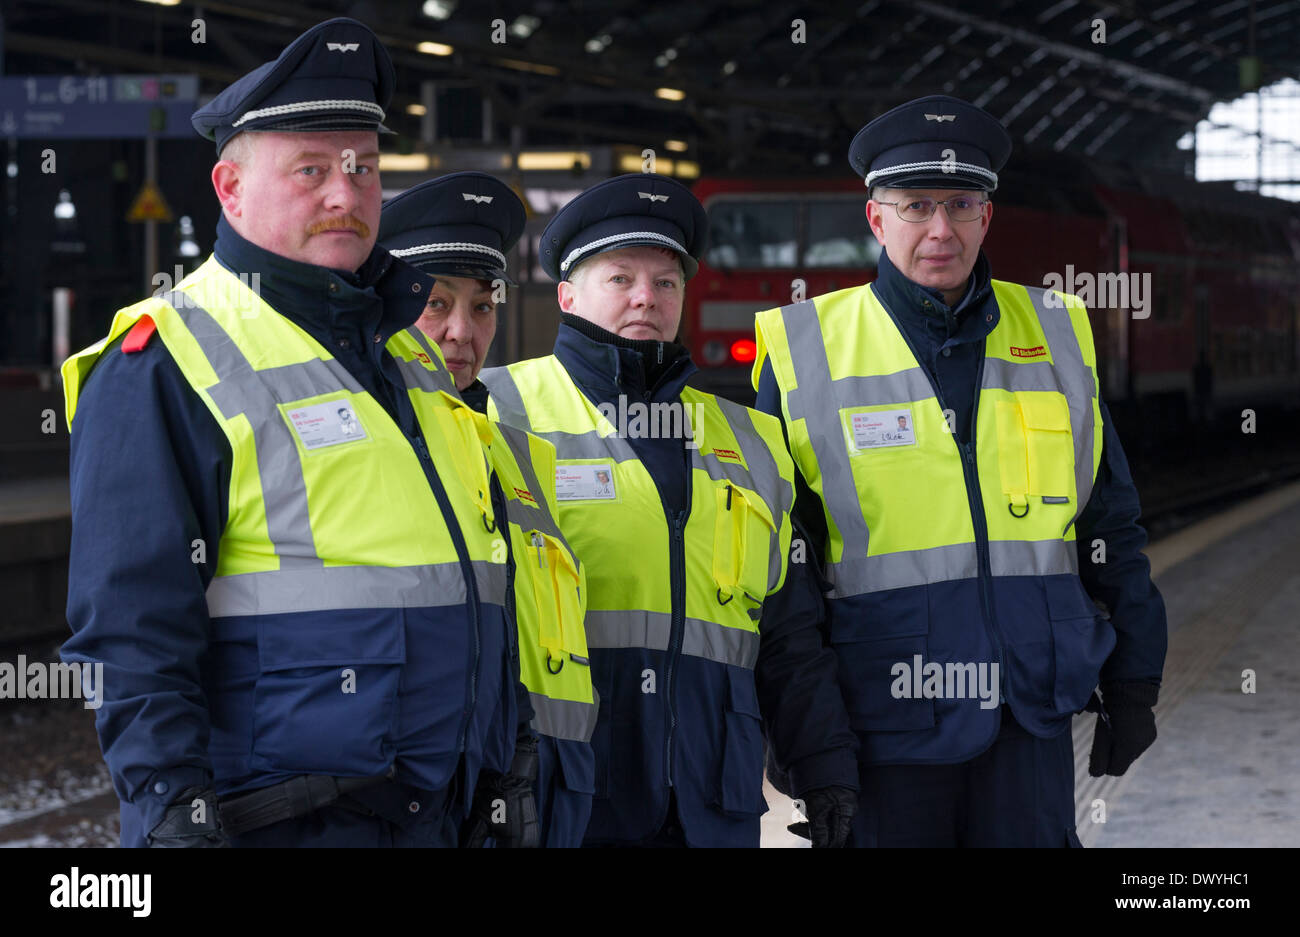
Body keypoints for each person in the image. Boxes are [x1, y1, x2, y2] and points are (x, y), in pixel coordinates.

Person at [60, 18, 530, 848]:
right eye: (310, 170)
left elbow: (481, 573)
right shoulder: (164, 359)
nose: (345, 194)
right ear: (230, 188)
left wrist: (513, 749)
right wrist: (172, 808)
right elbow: (132, 627)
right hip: (284, 825)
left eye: (363, 168)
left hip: (442, 815)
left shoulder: (409, 362)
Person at [753, 94, 1168, 847]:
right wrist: (807, 740)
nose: (940, 228)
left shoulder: (1057, 330)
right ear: (877, 219)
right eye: (916, 205)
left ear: (987, 217)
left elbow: (1110, 522)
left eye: (960, 203)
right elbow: (785, 579)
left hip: (1029, 714)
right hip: (882, 721)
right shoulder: (804, 349)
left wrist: (1135, 676)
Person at [481, 173, 860, 848]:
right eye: (620, 277)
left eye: (665, 282)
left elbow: (789, 635)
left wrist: (823, 764)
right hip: (565, 797)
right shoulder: (498, 412)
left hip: (711, 798)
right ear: (567, 294)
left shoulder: (750, 440)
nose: (644, 298)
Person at [378, 172, 597, 847]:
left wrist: (521, 766)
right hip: (397, 797)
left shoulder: (511, 454)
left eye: (481, 306)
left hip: (505, 785)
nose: (460, 331)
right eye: (435, 304)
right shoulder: (371, 449)